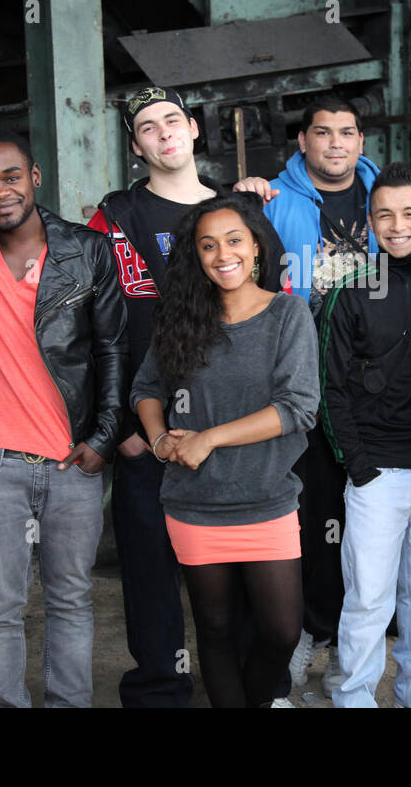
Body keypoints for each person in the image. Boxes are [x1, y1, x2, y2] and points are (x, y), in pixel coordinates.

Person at [0, 84, 286, 707]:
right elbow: (110, 341)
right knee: (142, 575)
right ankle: (158, 692)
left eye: (173, 120)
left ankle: (258, 691)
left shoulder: (239, 214)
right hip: (143, 426)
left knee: (239, 579)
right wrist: (118, 427)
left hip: (231, 424)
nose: (164, 133)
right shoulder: (111, 219)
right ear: (134, 144)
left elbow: (270, 308)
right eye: (148, 126)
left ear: (194, 129)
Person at [235, 96, 411, 692]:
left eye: (347, 133)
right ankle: (303, 633)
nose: (336, 144)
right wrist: (241, 195)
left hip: (375, 389)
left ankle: (359, 651)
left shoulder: (389, 196)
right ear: (303, 142)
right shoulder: (272, 198)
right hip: (302, 379)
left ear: (361, 141)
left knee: (368, 525)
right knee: (311, 514)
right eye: (322, 133)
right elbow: (233, 252)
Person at [0, 131, 125, 707]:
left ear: (35, 177)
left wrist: (107, 436)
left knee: (71, 600)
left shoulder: (86, 251)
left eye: (10, 177)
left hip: (72, 464)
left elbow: (112, 348)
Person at [131, 193, 320, 708]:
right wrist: (158, 438)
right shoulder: (181, 319)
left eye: (234, 241)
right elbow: (146, 389)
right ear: (196, 256)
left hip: (267, 500)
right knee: (213, 630)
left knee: (281, 632)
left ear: (256, 247)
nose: (222, 255)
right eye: (208, 245)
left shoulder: (287, 314)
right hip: (195, 505)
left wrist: (209, 437)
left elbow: (299, 408)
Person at [318, 164, 411, 708]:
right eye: (385, 213)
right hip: (376, 473)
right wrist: (357, 464)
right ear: (369, 221)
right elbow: (328, 388)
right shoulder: (349, 294)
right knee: (368, 599)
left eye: (410, 213)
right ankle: (355, 697)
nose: (397, 224)